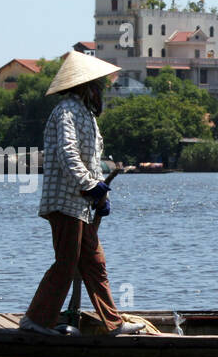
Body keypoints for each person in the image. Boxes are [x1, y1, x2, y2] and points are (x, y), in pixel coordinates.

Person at [21, 50, 143, 336]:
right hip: (64, 203)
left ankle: (113, 324)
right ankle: (35, 322)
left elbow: (92, 162)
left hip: (81, 206)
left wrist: (101, 196)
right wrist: (90, 185)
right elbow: (68, 154)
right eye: (97, 84)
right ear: (85, 85)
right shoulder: (65, 111)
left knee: (95, 263)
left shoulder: (85, 114)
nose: (100, 89)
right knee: (66, 264)